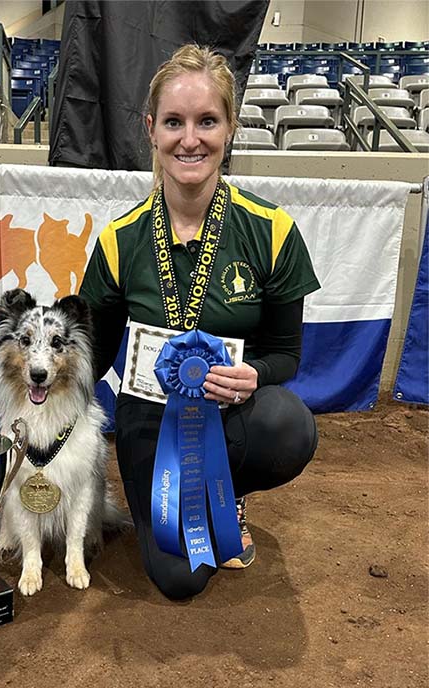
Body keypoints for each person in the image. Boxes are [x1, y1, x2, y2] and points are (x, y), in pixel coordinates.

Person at [79, 44, 320, 601]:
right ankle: (176, 503)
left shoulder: (272, 229)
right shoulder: (120, 239)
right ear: (152, 130)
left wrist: (254, 375)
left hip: (231, 411)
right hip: (148, 416)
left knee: (290, 426)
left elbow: (286, 352)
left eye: (207, 121)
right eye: (174, 123)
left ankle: (226, 493)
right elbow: (89, 355)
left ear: (230, 127)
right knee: (179, 580)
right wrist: (38, 425)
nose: (190, 139)